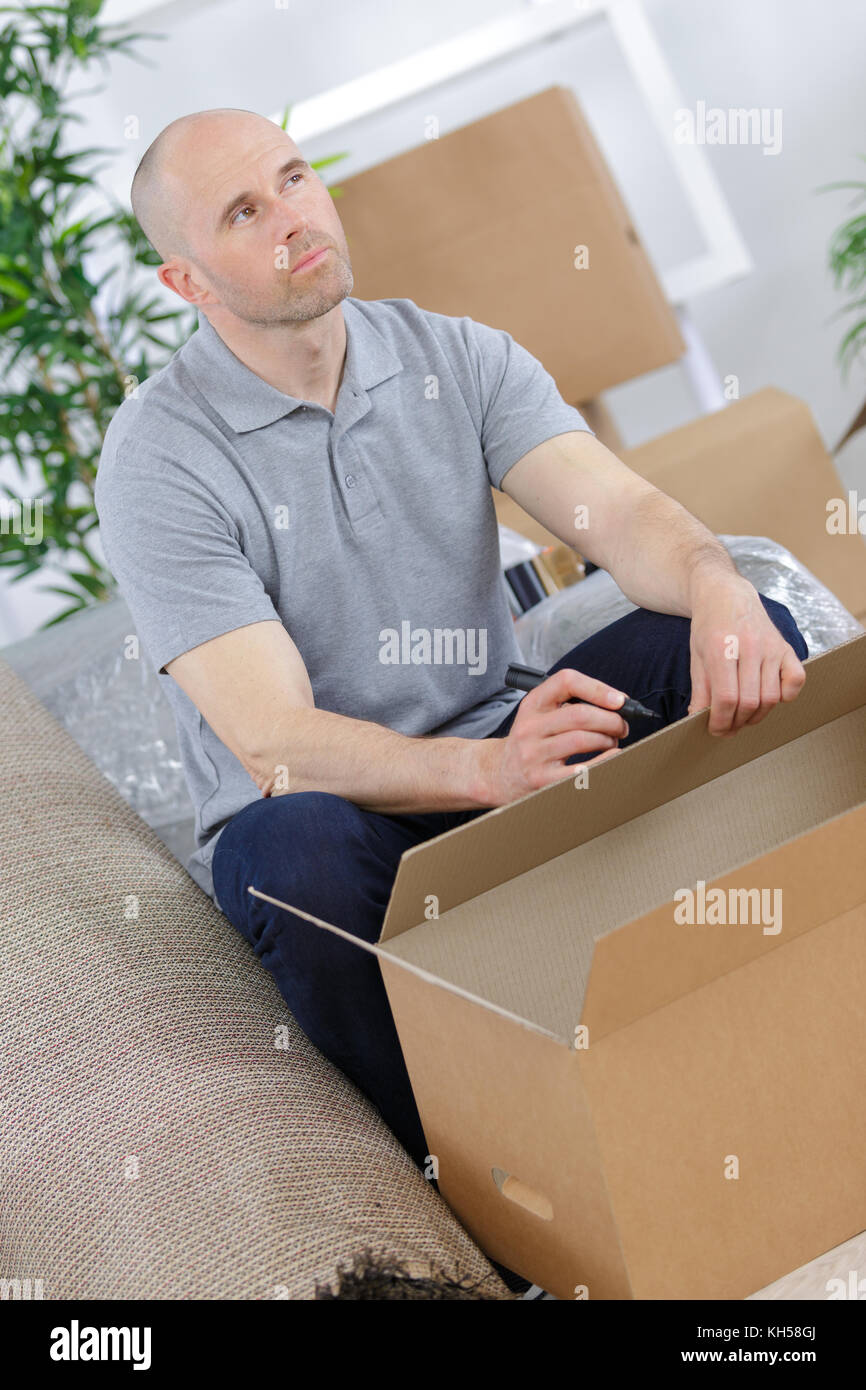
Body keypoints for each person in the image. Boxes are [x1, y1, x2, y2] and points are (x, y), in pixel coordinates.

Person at [95, 107, 808, 1184]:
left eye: (293, 179)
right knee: (289, 856)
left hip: (504, 737)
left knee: (743, 637)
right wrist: (483, 770)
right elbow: (274, 743)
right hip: (347, 816)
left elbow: (617, 519)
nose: (293, 217)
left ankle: (787, 1017)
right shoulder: (159, 457)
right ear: (186, 283)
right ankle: (486, 1198)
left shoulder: (451, 353)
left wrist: (715, 584)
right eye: (244, 211)